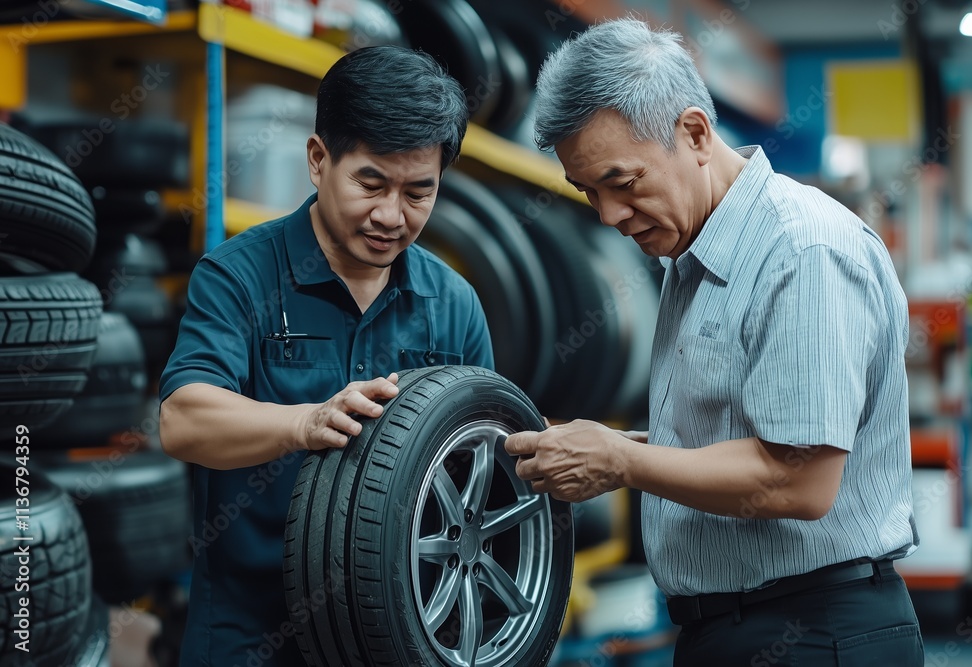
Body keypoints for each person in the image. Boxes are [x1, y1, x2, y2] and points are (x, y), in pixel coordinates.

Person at [504, 18, 923, 666]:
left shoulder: (800, 251)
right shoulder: (691, 258)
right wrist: (596, 445)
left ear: (695, 133)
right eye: (588, 192)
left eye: (623, 182)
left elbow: (799, 479)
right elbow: (742, 436)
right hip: (732, 629)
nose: (608, 216)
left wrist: (622, 460)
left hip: (814, 633)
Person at [159, 46, 493, 666]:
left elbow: (481, 472)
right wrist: (301, 423)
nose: (391, 216)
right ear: (318, 161)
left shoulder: (454, 303)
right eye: (370, 184)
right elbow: (183, 420)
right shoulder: (239, 277)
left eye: (419, 193)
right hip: (250, 631)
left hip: (395, 632)